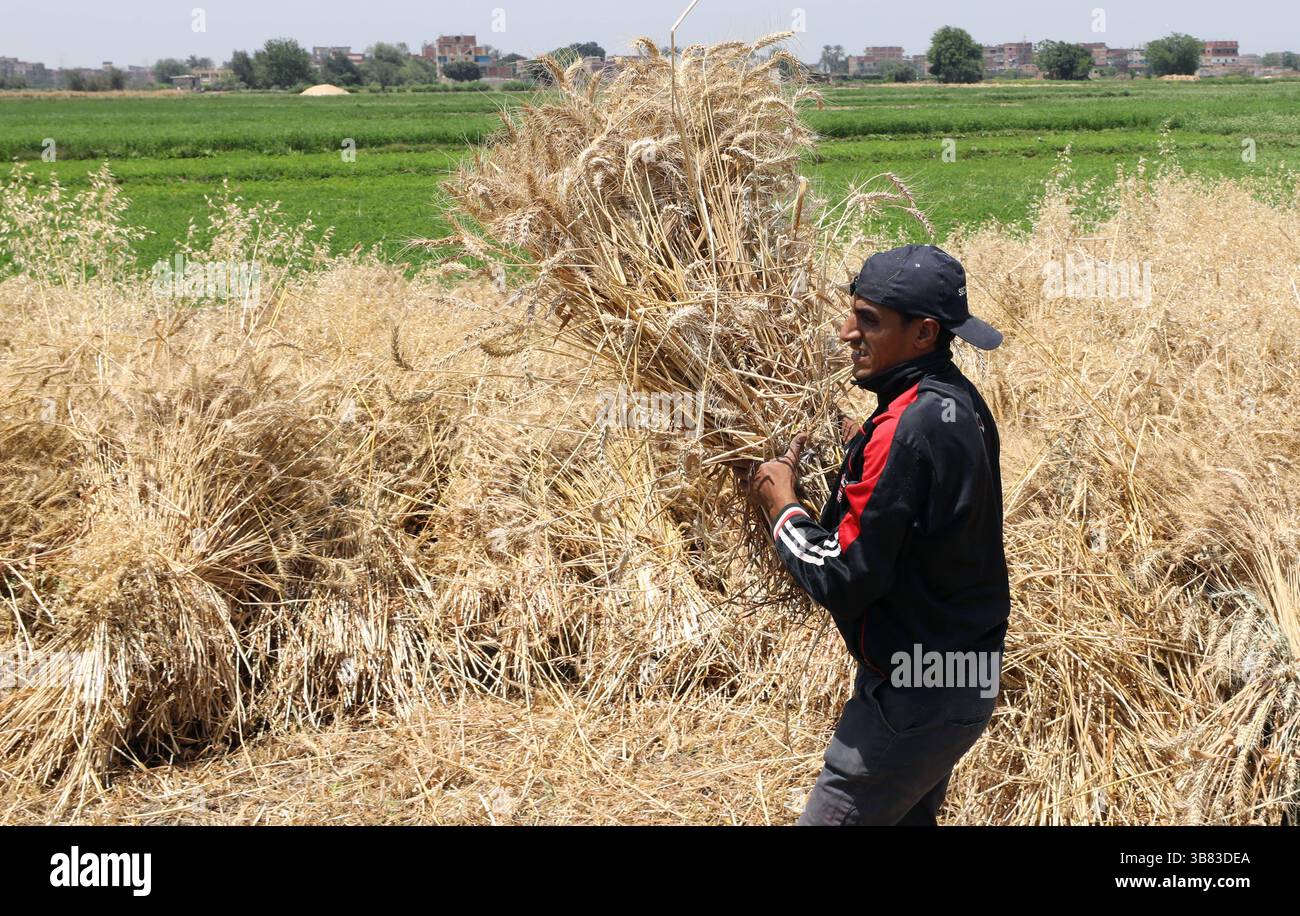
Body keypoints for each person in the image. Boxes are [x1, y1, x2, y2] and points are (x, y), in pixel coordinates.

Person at [749, 244, 1011, 826]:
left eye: (868, 319)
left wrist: (782, 507)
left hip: (915, 697)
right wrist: (864, 451)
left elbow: (843, 574)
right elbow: (923, 513)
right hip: (957, 679)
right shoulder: (960, 404)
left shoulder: (909, 426)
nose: (847, 333)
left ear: (923, 334)